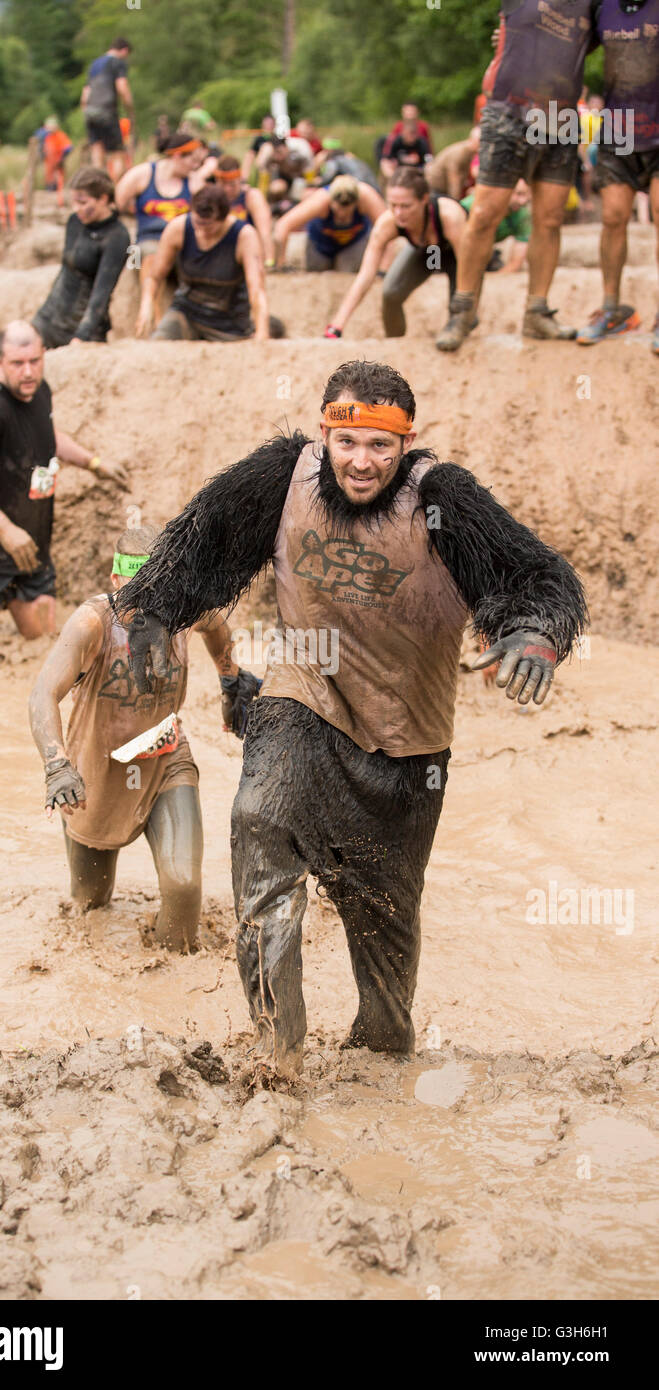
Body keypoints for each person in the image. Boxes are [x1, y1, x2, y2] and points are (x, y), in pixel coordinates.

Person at [115, 359, 587, 1080]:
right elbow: (202, 540)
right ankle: (276, 1052)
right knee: (259, 822)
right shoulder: (283, 476)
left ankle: (379, 1065)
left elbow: (534, 575)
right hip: (302, 697)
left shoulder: (443, 501)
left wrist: (533, 631)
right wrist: (153, 608)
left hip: (406, 743)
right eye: (347, 443)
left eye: (379, 446)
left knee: (384, 939)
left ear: (406, 444)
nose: (360, 462)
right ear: (325, 436)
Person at [29, 526, 261, 950]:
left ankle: (171, 986)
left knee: (184, 885)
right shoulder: (90, 623)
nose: (148, 609)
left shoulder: (185, 607)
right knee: (90, 905)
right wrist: (56, 765)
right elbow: (43, 692)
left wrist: (231, 683)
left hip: (164, 755)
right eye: (138, 596)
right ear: (116, 581)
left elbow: (216, 629)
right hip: (95, 772)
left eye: (159, 594)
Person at [0, 322, 128, 640]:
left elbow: (44, 435)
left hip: (30, 548)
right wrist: (6, 530)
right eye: (17, 363)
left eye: (34, 361)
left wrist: (92, 462)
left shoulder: (39, 390)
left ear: (43, 355)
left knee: (43, 647)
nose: (28, 371)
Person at [436, 0, 598, 351]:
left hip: (561, 117)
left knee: (551, 217)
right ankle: (462, 310)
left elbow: (608, 36)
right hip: (508, 109)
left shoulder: (594, 4)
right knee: (483, 214)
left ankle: (537, 311)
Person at [577, 0, 659, 353]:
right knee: (613, 217)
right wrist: (511, 43)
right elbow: (568, 44)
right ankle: (612, 310)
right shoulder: (602, 8)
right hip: (619, 132)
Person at [324, 169, 468, 339]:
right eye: (393, 205)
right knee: (390, 293)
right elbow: (365, 275)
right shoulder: (388, 222)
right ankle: (394, 342)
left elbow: (470, 265)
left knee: (460, 308)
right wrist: (338, 324)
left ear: (424, 200)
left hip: (458, 255)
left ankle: (465, 322)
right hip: (430, 252)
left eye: (406, 206)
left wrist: (465, 307)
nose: (398, 213)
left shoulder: (449, 216)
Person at [136, 184, 283, 342]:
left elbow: (257, 289)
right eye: (197, 223)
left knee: (268, 332)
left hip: (230, 320)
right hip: (187, 312)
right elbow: (155, 276)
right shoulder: (179, 228)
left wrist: (262, 332)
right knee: (161, 341)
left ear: (223, 219)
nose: (201, 231)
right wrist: (147, 303)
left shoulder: (244, 236)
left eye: (208, 226)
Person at [115, 130, 216, 308]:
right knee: (149, 256)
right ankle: (151, 316)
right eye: (192, 161)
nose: (194, 167)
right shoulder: (142, 174)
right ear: (177, 156)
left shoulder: (193, 183)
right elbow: (115, 206)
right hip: (142, 246)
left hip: (180, 246)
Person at [32, 168, 130, 349]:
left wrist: (82, 336)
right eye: (74, 202)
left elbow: (102, 291)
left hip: (83, 325)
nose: (77, 209)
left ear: (103, 198)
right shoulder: (74, 222)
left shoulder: (117, 237)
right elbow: (66, 271)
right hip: (50, 317)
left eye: (83, 203)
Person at [273, 175, 385, 272]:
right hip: (320, 243)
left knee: (346, 270)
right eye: (338, 210)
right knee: (318, 270)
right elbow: (282, 226)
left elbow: (386, 228)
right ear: (331, 202)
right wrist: (280, 263)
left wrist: (383, 267)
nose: (342, 215)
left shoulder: (366, 197)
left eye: (347, 211)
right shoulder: (320, 201)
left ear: (356, 203)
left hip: (353, 242)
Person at [81, 36, 134, 179]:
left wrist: (85, 111)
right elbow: (122, 87)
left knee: (97, 153)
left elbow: (85, 94)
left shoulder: (95, 64)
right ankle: (116, 192)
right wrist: (130, 108)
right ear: (124, 50)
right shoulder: (118, 63)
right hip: (107, 112)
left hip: (90, 112)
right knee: (118, 154)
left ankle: (98, 191)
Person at [461, 178, 531, 274]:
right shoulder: (473, 205)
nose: (523, 201)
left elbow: (516, 263)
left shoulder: (522, 215)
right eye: (518, 194)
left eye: (526, 195)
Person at [213, 156, 275, 265]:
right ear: (217, 181)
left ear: (239, 180)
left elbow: (264, 231)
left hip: (247, 249)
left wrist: (269, 259)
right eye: (223, 184)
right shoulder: (212, 197)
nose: (227, 189)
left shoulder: (251, 196)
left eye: (232, 184)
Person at [427, 129, 481, 202]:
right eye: (479, 141)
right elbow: (454, 183)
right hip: (435, 187)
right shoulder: (459, 154)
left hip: (443, 188)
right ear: (471, 140)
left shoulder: (470, 153)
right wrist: (455, 203)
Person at [380, 110, 432, 180]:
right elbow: (386, 159)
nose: (412, 136)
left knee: (431, 167)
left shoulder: (422, 142)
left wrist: (426, 166)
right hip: (398, 171)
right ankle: (394, 182)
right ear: (403, 132)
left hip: (418, 171)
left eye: (414, 133)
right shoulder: (395, 141)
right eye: (409, 133)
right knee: (385, 164)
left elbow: (429, 159)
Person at [42, 118, 73, 199]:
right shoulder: (47, 137)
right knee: (49, 180)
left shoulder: (60, 135)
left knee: (58, 180)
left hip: (58, 163)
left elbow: (68, 148)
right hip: (49, 165)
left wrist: (62, 158)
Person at [241, 115, 276, 184]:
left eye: (270, 124)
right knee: (248, 155)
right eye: (266, 123)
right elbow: (251, 152)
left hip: (272, 162)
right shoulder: (259, 138)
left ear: (274, 125)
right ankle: (244, 180)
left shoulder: (276, 138)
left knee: (267, 149)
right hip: (260, 162)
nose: (268, 126)